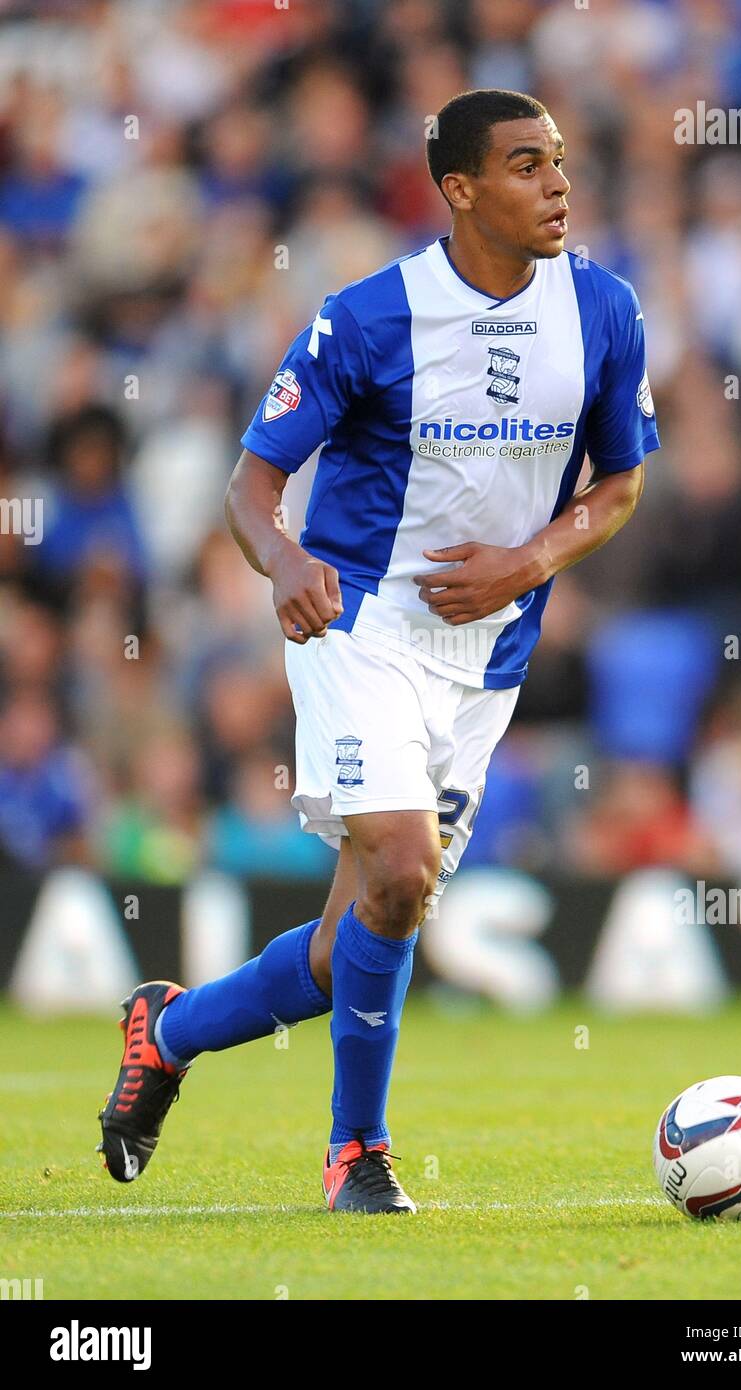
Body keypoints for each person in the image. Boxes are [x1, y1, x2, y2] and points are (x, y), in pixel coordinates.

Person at [97, 89, 659, 1213]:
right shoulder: (366, 316)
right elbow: (250, 488)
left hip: (486, 650)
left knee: (359, 928)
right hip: (358, 625)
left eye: (557, 160)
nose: (555, 183)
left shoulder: (603, 309)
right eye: (523, 164)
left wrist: (527, 560)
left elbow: (621, 483)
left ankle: (169, 1030)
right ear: (458, 191)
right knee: (399, 871)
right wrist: (285, 559)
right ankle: (358, 1152)